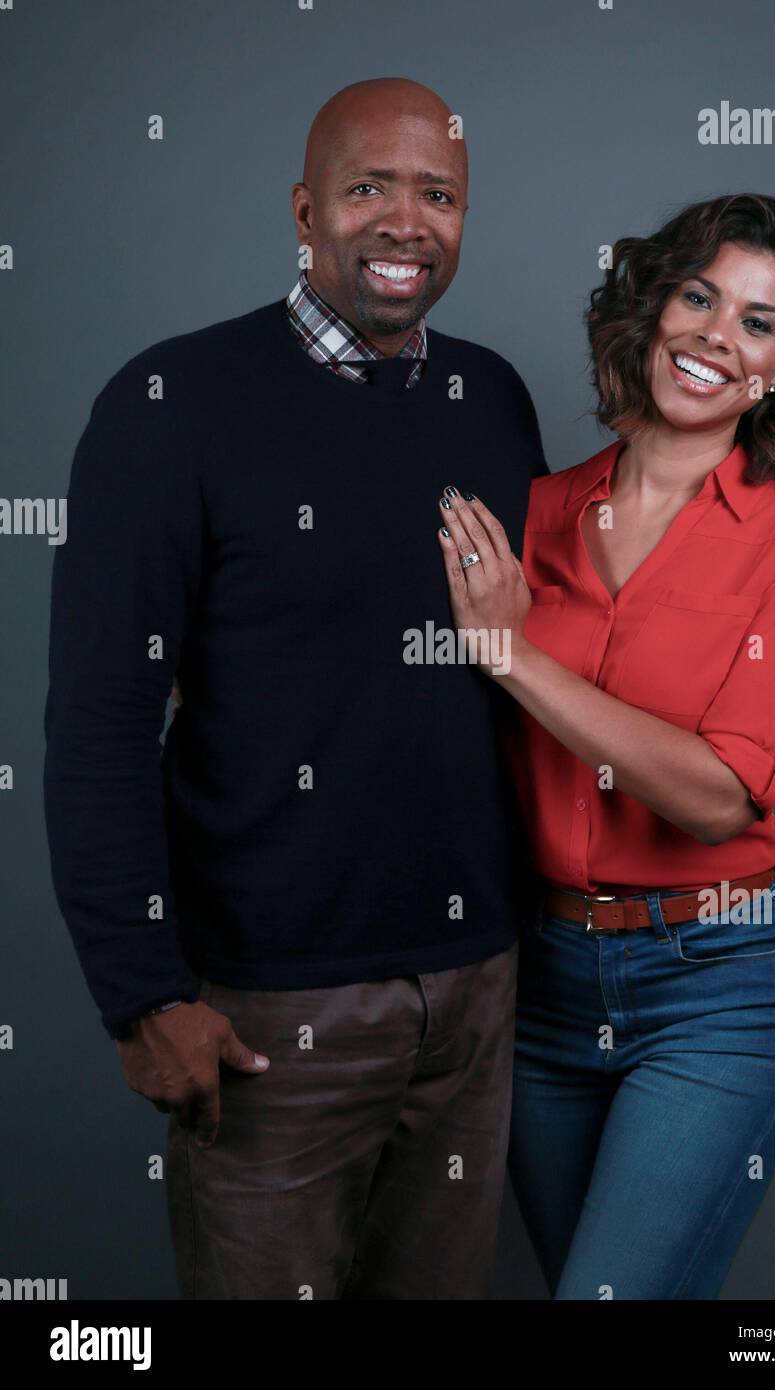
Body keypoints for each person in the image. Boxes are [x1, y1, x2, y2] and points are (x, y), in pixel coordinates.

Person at [43, 77, 548, 1300]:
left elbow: (516, 677)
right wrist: (142, 990)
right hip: (271, 1007)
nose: (404, 222)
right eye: (368, 186)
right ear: (304, 209)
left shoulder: (491, 399)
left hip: (476, 992)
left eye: (437, 193)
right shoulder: (171, 406)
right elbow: (102, 721)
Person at [434, 193, 775, 1299]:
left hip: (716, 981)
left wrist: (511, 654)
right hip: (538, 987)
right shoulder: (529, 512)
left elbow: (720, 795)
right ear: (652, 311)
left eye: (758, 324)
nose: (717, 334)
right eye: (698, 295)